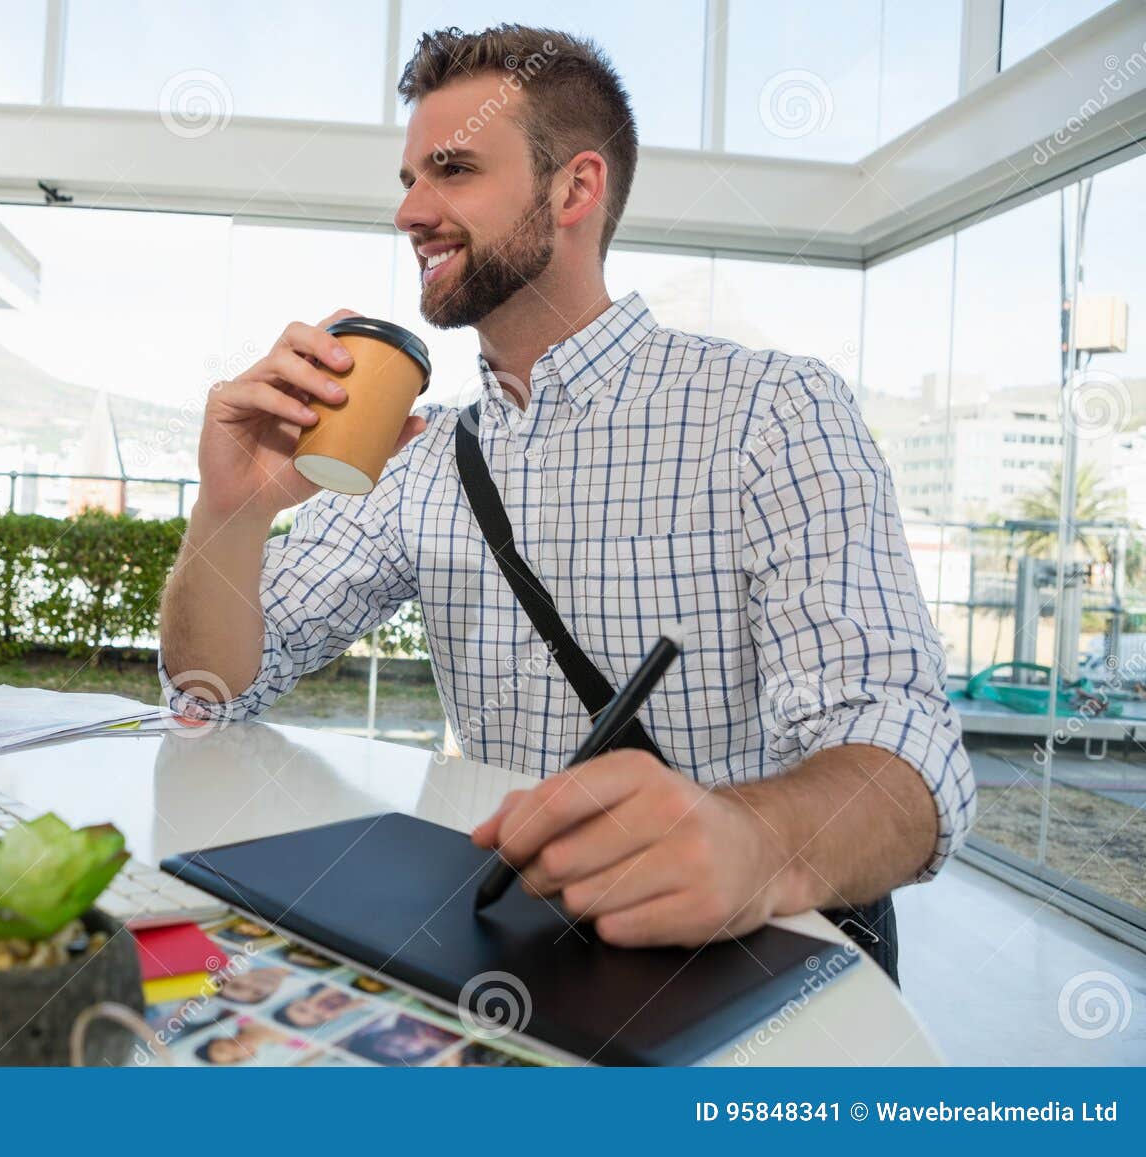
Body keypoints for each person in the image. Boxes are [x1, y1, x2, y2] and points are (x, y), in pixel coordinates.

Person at [158, 24, 975, 976]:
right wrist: (235, 508)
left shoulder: (770, 411)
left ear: (574, 189)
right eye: (408, 179)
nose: (410, 213)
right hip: (513, 952)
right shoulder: (424, 456)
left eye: (453, 170)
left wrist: (750, 844)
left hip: (737, 966)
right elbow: (216, 687)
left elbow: (907, 760)